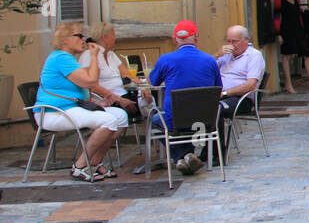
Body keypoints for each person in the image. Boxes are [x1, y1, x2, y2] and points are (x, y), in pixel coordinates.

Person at [35, 23, 129, 182]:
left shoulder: (68, 58)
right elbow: (90, 81)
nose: (83, 39)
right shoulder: (61, 58)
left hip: (69, 108)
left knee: (120, 117)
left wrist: (96, 102)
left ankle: (94, 163)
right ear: (65, 40)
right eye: (79, 35)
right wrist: (94, 56)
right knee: (108, 120)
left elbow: (81, 88)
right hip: (54, 112)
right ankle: (79, 167)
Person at [149, 20, 222, 176]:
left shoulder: (165, 59)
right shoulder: (210, 60)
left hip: (175, 121)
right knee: (185, 117)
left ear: (175, 40)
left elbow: (153, 81)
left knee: (155, 120)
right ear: (196, 38)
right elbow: (218, 88)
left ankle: (182, 156)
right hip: (205, 120)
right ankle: (187, 157)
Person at [79, 22, 149, 119]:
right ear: (104, 37)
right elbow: (92, 86)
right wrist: (118, 99)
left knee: (151, 96)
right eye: (113, 35)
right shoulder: (89, 55)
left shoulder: (111, 54)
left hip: (124, 93)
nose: (115, 38)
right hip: (107, 100)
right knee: (148, 104)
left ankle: (155, 124)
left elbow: (127, 75)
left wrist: (143, 88)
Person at [215, 24, 267, 154]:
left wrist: (225, 93)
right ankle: (201, 150)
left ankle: (217, 154)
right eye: (228, 41)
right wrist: (217, 54)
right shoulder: (226, 55)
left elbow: (250, 85)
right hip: (221, 95)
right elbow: (206, 69)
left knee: (216, 110)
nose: (231, 45)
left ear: (245, 40)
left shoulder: (254, 56)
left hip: (241, 98)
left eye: (234, 41)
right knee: (199, 106)